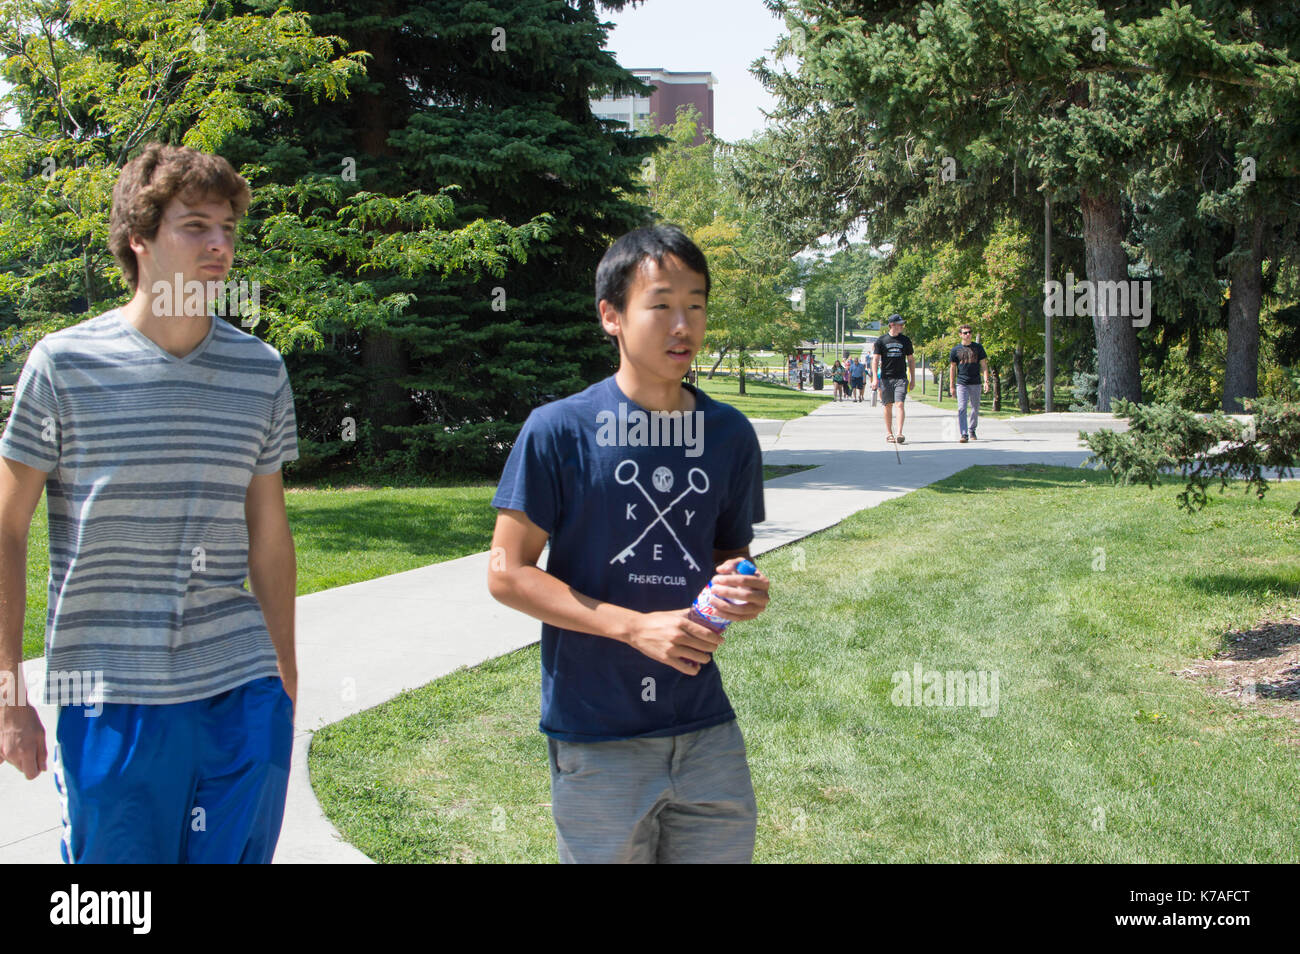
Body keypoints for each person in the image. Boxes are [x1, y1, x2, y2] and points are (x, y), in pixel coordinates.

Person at [0, 144, 299, 863]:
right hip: (110, 690)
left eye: (228, 227)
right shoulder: (63, 364)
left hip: (241, 685)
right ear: (139, 236)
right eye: (195, 225)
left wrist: (284, 676)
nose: (220, 244)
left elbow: (268, 531)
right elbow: (7, 528)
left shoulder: (259, 371)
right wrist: (9, 693)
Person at [487, 224, 771, 864]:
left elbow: (729, 549)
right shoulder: (559, 431)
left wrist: (739, 583)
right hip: (597, 731)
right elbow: (507, 573)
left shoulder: (728, 433)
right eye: (662, 304)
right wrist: (635, 628)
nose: (684, 325)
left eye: (696, 304)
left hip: (703, 728)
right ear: (611, 316)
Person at [871, 313, 915, 443]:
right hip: (886, 378)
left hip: (901, 377)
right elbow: (875, 360)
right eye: (899, 324)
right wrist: (875, 378)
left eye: (902, 324)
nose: (902, 326)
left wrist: (912, 379)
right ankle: (889, 433)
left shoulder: (905, 340)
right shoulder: (881, 341)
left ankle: (900, 433)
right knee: (888, 405)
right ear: (892, 325)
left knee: (900, 404)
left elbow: (911, 360)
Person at [949, 324, 990, 442]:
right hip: (962, 383)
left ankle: (972, 429)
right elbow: (952, 368)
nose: (968, 334)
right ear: (960, 335)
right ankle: (964, 433)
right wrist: (952, 386)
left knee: (975, 408)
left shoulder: (978, 348)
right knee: (961, 408)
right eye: (965, 333)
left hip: (975, 382)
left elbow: (984, 365)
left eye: (970, 332)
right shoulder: (955, 350)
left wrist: (986, 381)